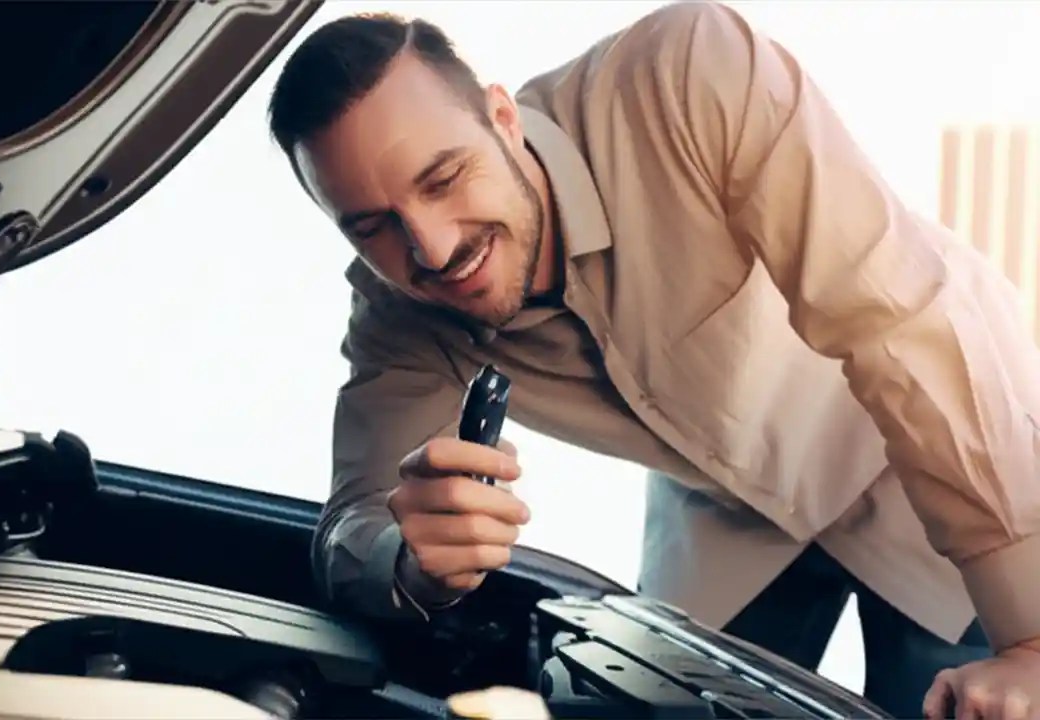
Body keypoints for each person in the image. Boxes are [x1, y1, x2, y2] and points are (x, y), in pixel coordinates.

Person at [264, 3, 1040, 718]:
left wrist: (1032, 639)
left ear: (504, 119)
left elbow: (896, 326)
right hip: (723, 506)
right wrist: (409, 560)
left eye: (443, 179)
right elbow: (351, 526)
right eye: (372, 226)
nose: (430, 249)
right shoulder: (395, 311)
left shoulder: (689, 78)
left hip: (929, 444)